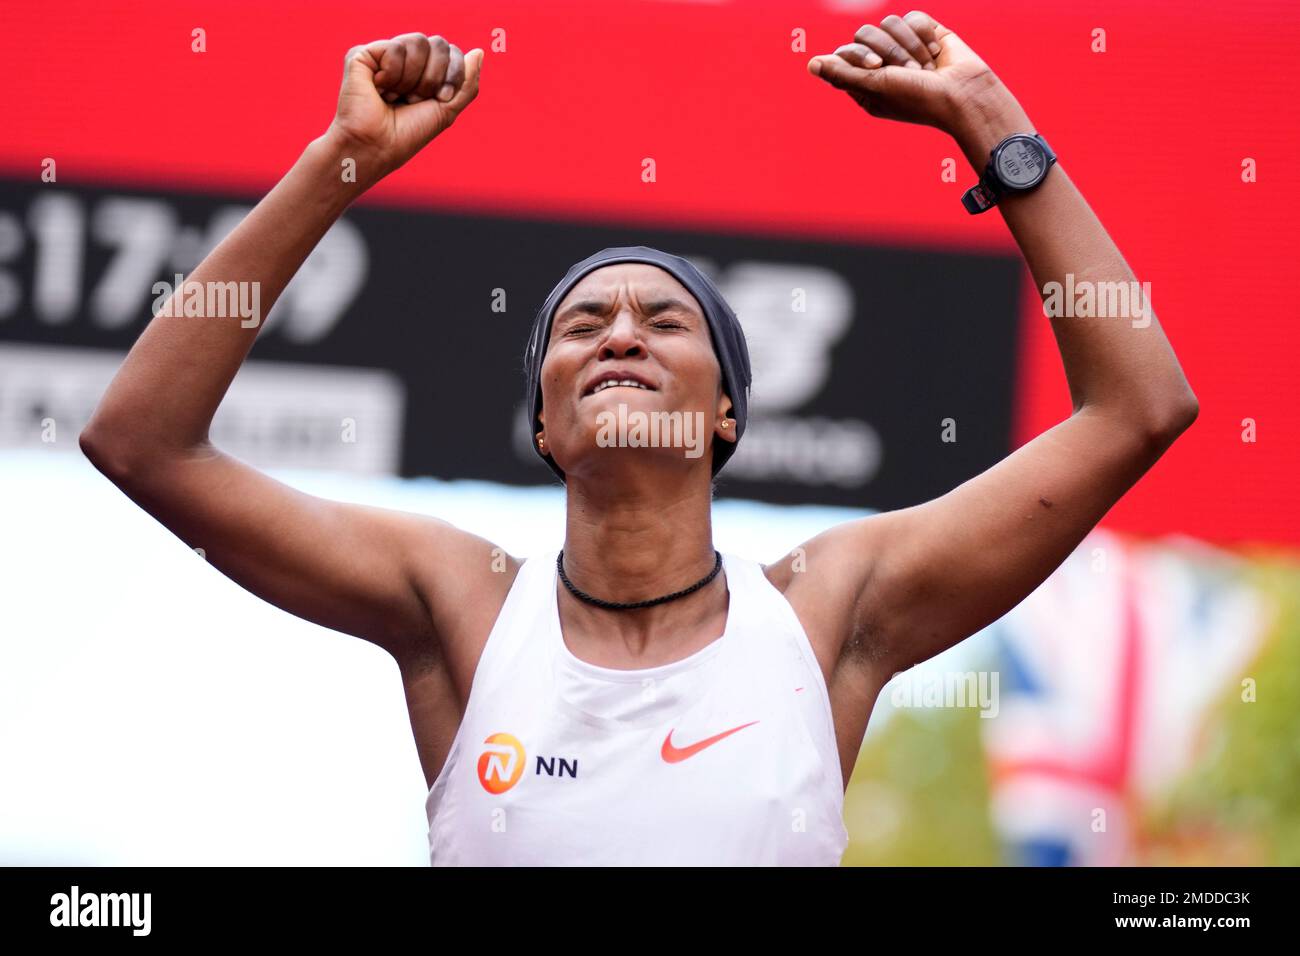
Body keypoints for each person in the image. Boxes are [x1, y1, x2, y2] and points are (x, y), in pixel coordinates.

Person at [80, 13, 1198, 866]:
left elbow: (1138, 407)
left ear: (723, 416)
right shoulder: (459, 604)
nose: (620, 330)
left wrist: (994, 124)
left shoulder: (827, 608)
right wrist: (342, 162)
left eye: (666, 320)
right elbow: (142, 441)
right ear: (543, 421)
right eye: (580, 323)